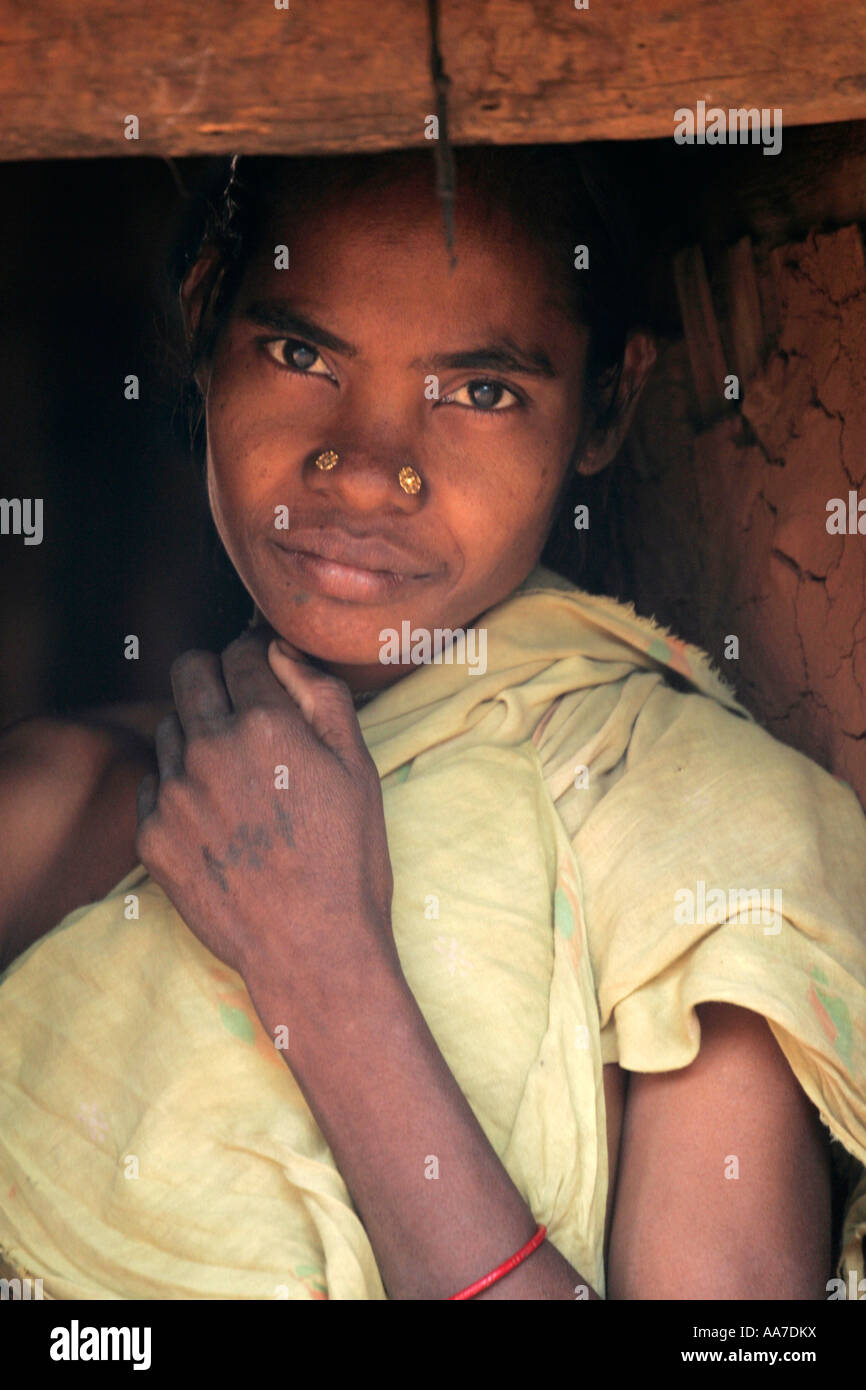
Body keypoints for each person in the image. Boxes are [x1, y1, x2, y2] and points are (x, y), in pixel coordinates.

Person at [0, 144, 864, 1301]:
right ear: (208, 316)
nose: (367, 472)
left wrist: (324, 969)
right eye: (301, 351)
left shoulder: (694, 846)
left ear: (604, 405)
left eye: (480, 391)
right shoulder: (51, 807)